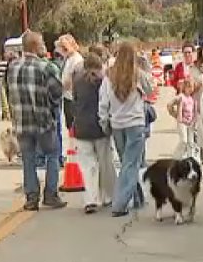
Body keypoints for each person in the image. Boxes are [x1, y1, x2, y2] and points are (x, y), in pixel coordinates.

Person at [8, 31, 66, 211]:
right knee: (52, 155)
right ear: (35, 46)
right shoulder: (46, 67)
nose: (44, 46)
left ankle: (31, 197)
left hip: (22, 121)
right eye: (41, 43)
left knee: (28, 159)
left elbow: (10, 92)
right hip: (43, 121)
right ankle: (51, 194)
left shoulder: (13, 67)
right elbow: (57, 92)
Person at [99, 42, 153, 217]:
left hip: (117, 125)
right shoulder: (138, 74)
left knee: (127, 163)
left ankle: (137, 197)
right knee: (130, 165)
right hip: (135, 123)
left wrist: (104, 121)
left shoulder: (109, 76)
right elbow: (151, 89)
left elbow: (103, 102)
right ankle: (120, 204)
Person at [71, 52, 116, 214]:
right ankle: (108, 196)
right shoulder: (103, 81)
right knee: (105, 164)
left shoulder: (77, 80)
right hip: (99, 127)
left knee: (87, 166)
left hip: (81, 128)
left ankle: (91, 199)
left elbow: (74, 101)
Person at [170, 76, 201, 160]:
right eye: (188, 87)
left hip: (190, 123)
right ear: (185, 87)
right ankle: (176, 157)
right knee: (184, 141)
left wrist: (194, 121)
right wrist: (177, 116)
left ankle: (190, 158)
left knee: (191, 142)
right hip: (182, 122)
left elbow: (195, 112)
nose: (190, 89)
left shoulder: (193, 99)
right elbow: (173, 106)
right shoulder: (181, 97)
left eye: (192, 87)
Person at [57, 35, 84, 132]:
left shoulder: (76, 59)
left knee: (72, 125)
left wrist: (59, 87)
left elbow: (70, 80)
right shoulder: (68, 59)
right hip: (67, 96)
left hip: (72, 96)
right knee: (69, 125)